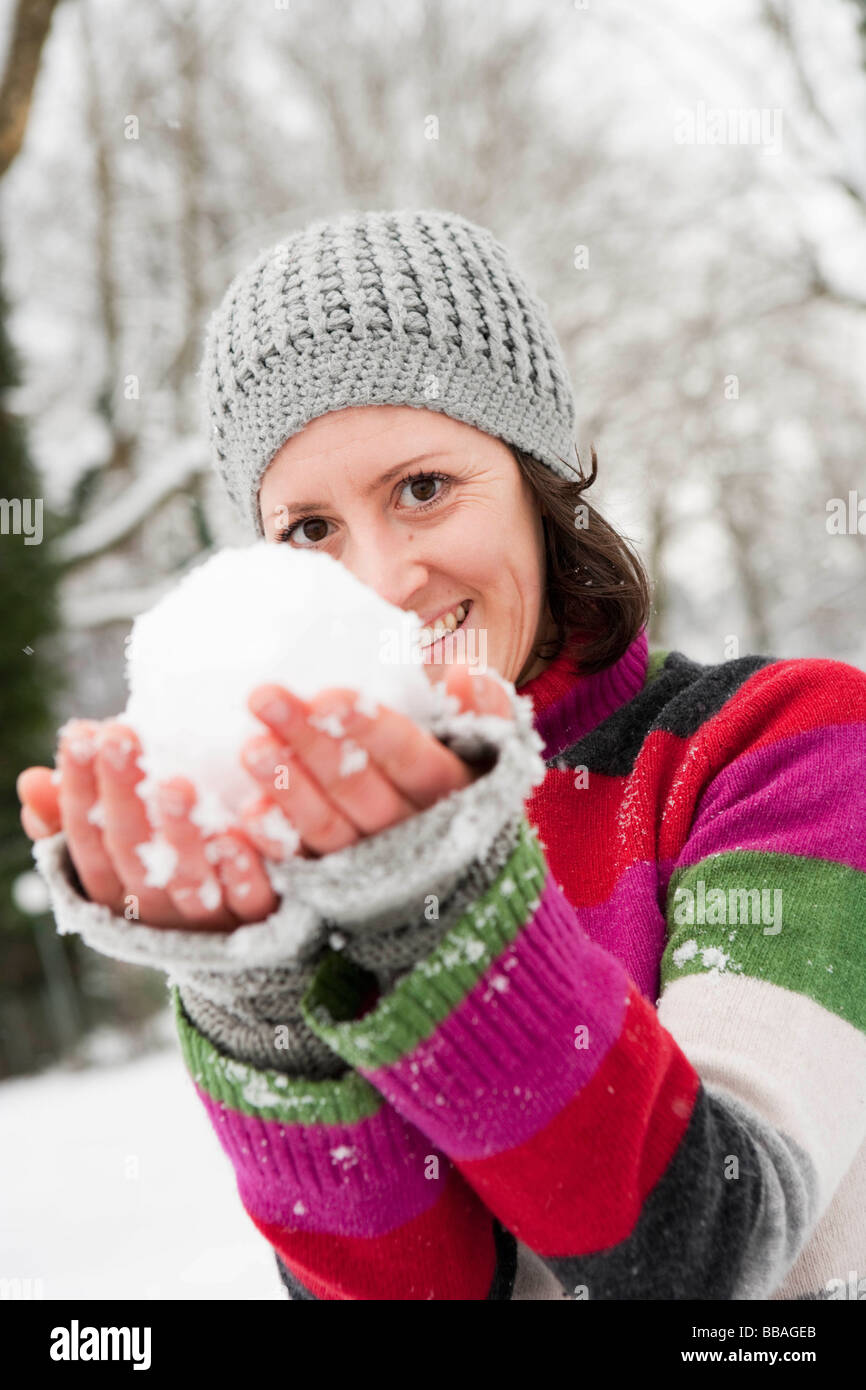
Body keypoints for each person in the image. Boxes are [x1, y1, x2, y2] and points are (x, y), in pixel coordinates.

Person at [17, 208, 866, 1302]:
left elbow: (715, 1249)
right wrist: (260, 994)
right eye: (309, 531)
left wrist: (434, 909)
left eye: (421, 488)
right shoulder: (316, 847)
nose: (380, 579)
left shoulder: (780, 742)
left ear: (537, 477)